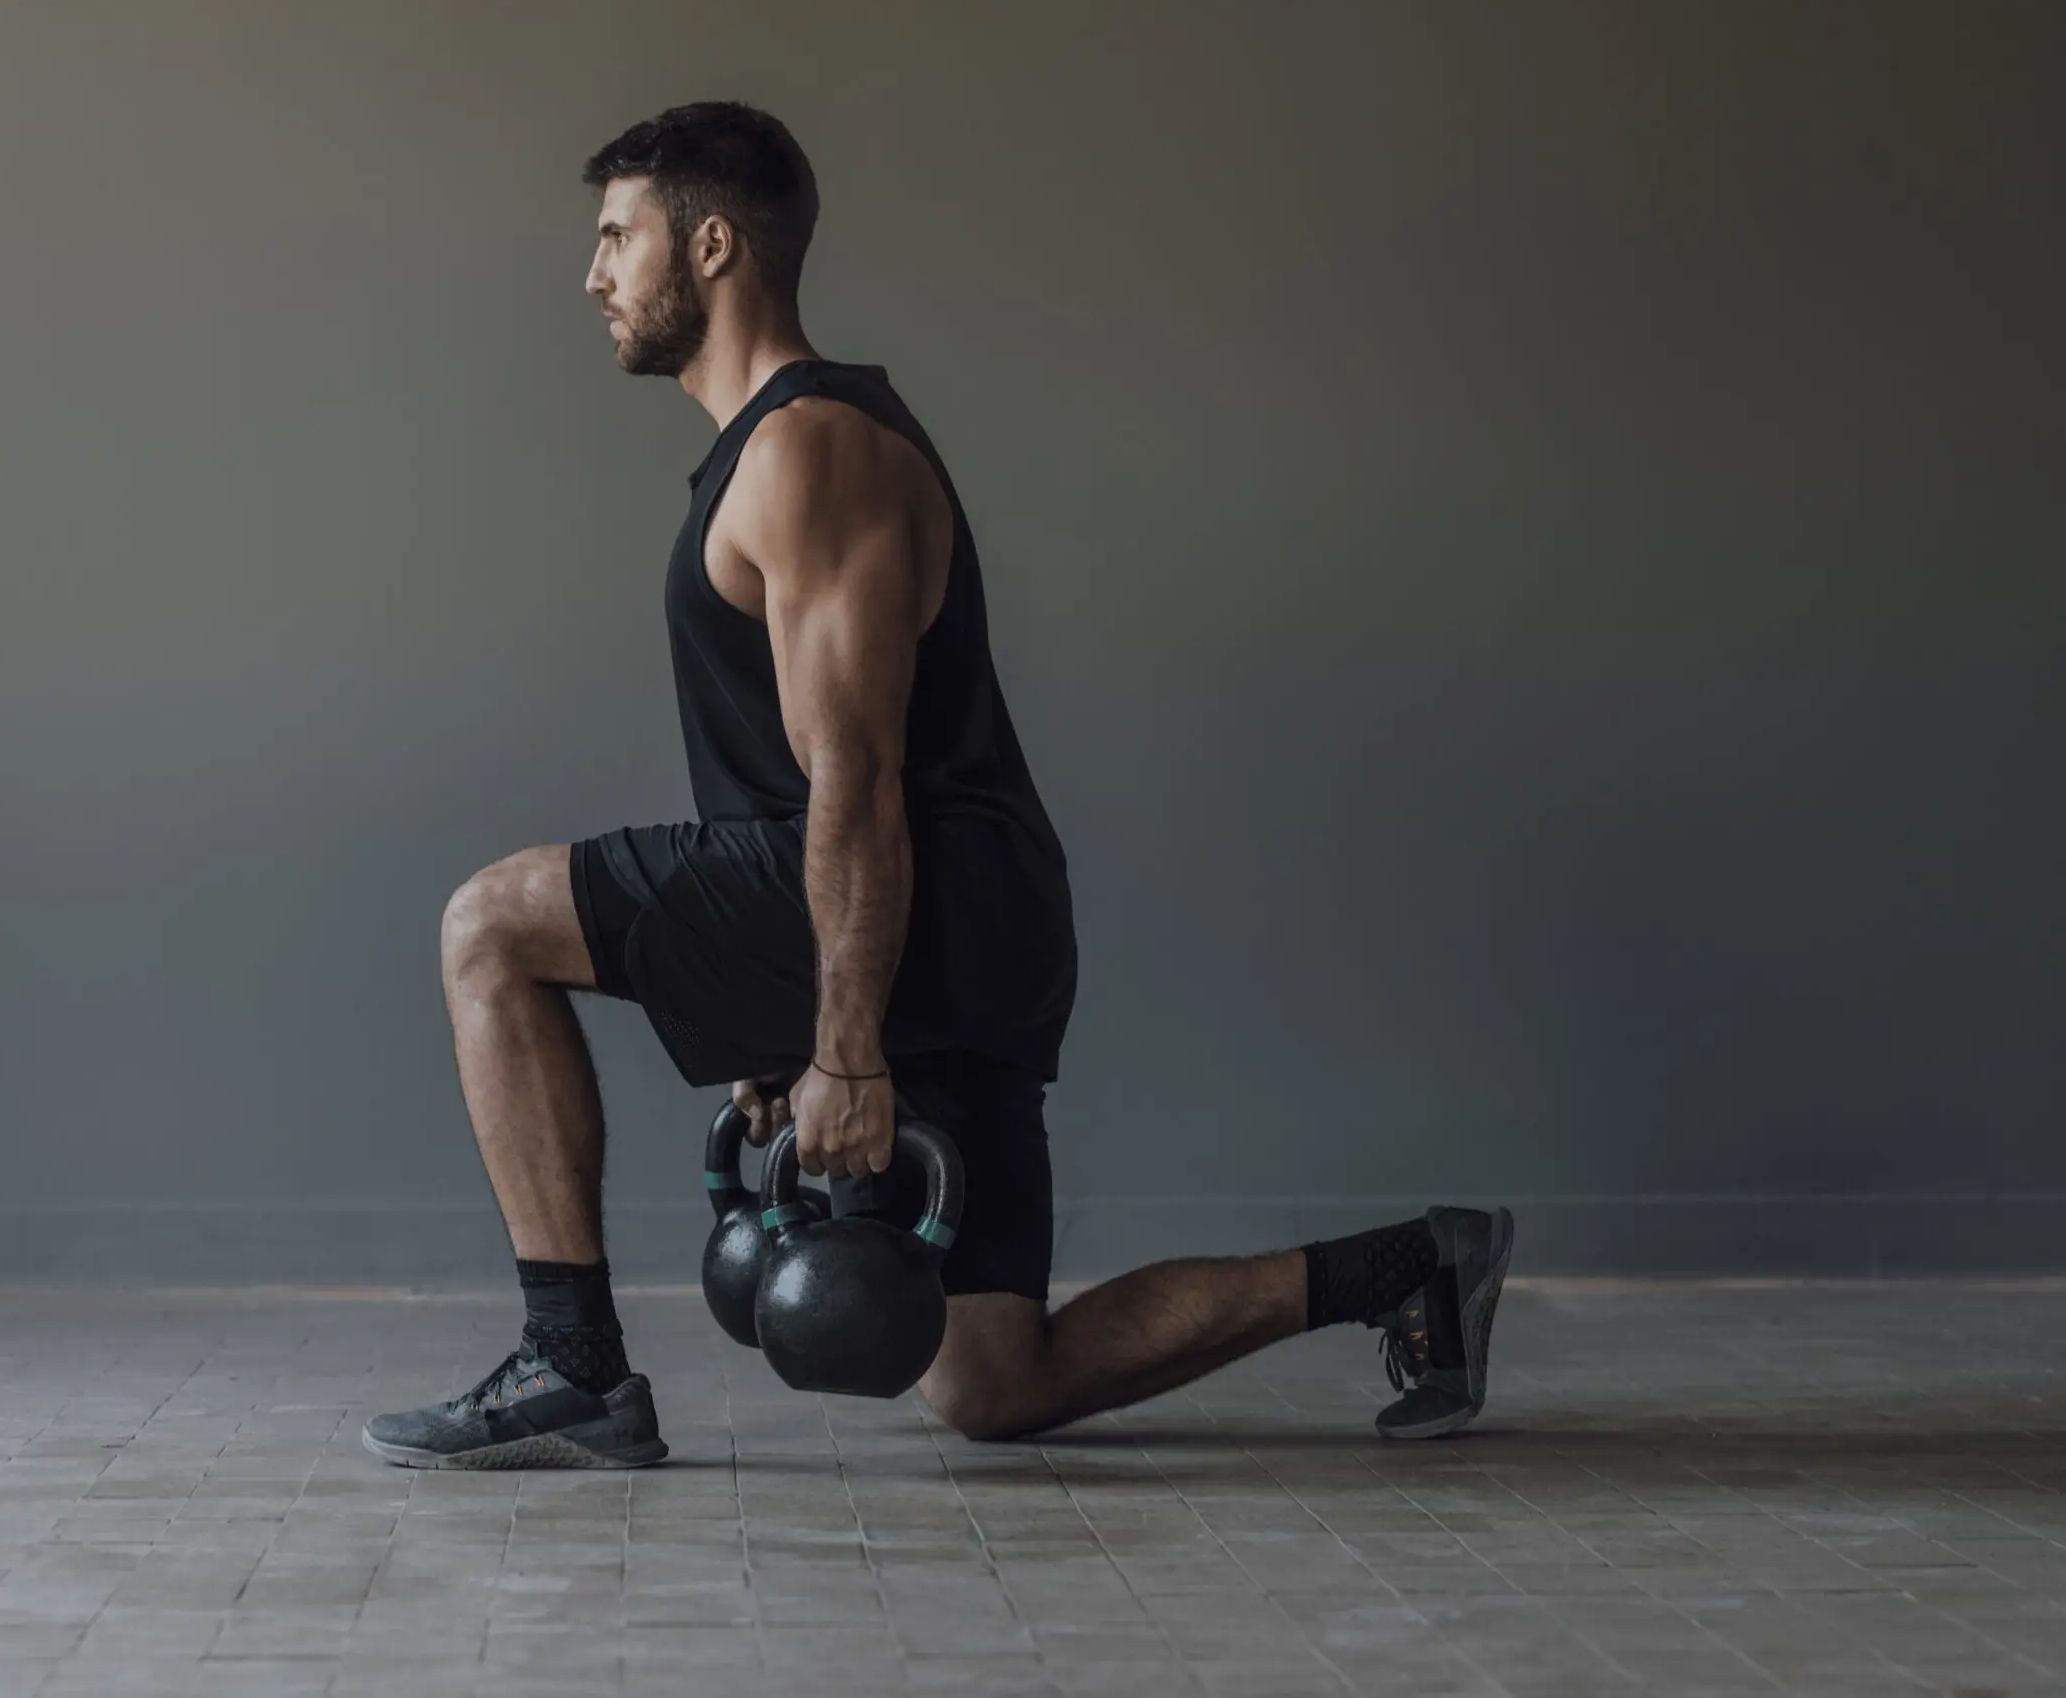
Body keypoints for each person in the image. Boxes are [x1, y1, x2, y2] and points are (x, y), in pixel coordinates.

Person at [361, 102, 1511, 1470]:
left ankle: (573, 1361)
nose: (594, 274)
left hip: (922, 902)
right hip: (964, 919)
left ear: (712, 245)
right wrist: (776, 1011)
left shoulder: (808, 451)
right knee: (993, 1381)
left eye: (618, 237)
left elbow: (852, 781)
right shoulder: (785, 447)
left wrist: (844, 1046)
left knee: (488, 926)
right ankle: (1412, 1265)